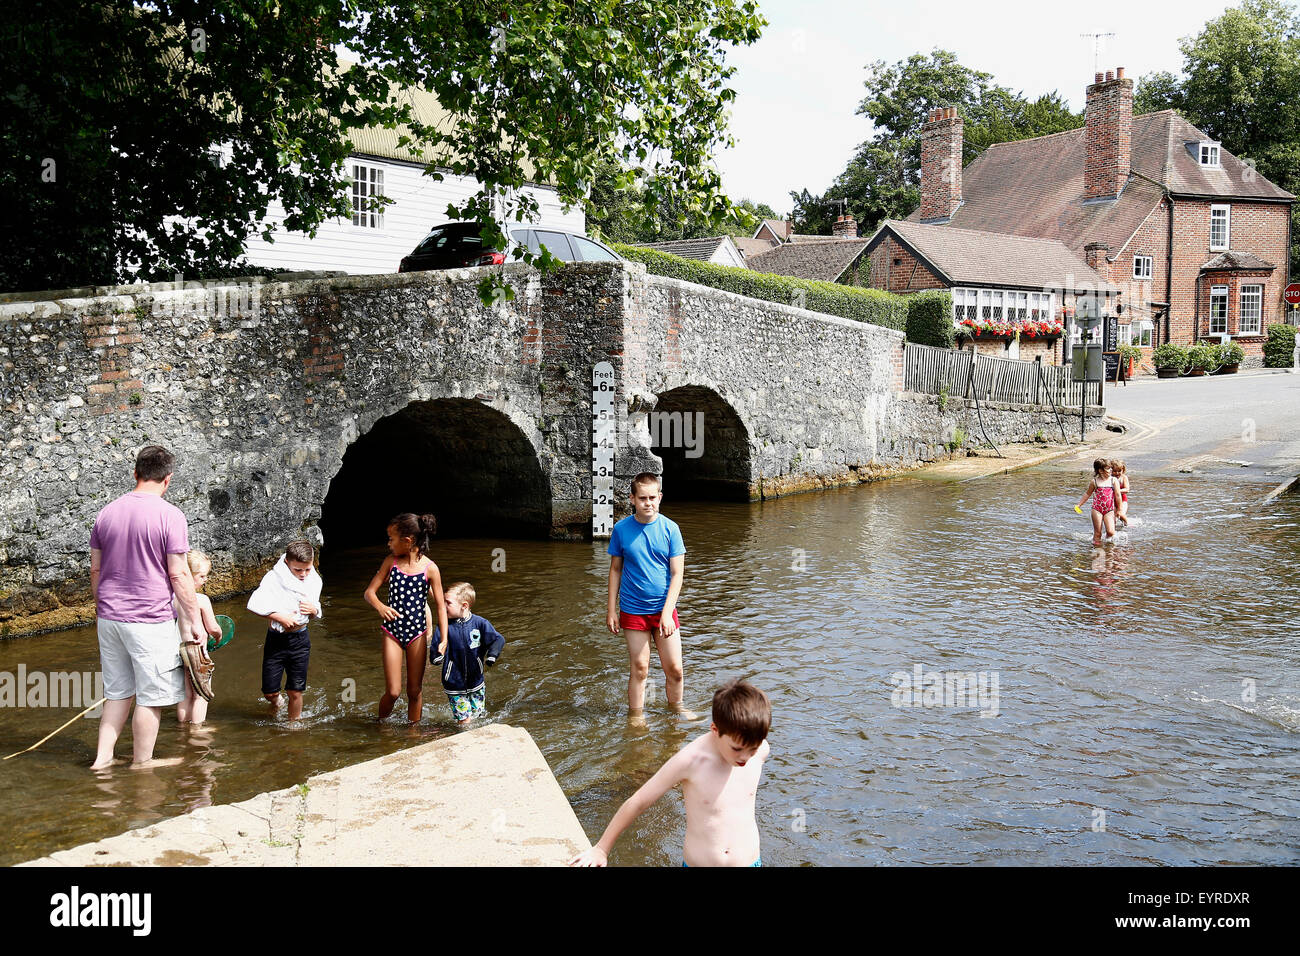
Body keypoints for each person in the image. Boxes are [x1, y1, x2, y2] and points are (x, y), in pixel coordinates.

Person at [569, 680, 772, 867]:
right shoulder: (690, 761)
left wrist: (751, 749)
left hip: (750, 862)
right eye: (737, 749)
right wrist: (601, 849)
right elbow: (639, 800)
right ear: (715, 729)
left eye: (752, 748)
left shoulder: (761, 751)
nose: (745, 757)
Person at [89, 445, 205, 769]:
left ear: (136, 473)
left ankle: (102, 760)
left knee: (118, 693)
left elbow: (95, 570)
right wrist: (194, 619)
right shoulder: (170, 516)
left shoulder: (106, 513)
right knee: (151, 698)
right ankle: (142, 762)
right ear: (167, 480)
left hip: (109, 617)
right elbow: (179, 573)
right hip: (148, 620)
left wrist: (103, 606)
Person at [606, 472, 689, 721]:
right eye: (642, 498)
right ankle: (636, 717)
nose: (648, 503)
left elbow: (677, 575)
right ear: (632, 499)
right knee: (640, 668)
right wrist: (611, 610)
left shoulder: (671, 529)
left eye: (653, 497)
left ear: (660, 497)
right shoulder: (621, 530)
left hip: (664, 610)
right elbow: (615, 570)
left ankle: (676, 709)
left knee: (674, 670)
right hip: (633, 609)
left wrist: (667, 614)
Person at [364, 513, 447, 722]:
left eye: (392, 539)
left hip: (417, 633)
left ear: (407, 541)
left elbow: (441, 607)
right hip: (391, 631)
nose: (388, 544)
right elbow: (369, 593)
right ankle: (380, 726)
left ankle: (413, 735)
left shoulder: (431, 569)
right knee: (393, 692)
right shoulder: (390, 562)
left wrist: (444, 638)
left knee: (414, 691)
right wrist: (380, 607)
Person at [247, 541, 322, 721]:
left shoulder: (314, 580)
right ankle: (276, 701)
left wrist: (315, 610)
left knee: (295, 690)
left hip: (300, 639)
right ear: (287, 562)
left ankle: (293, 726)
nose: (303, 575)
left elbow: (315, 608)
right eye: (298, 570)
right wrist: (278, 616)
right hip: (276, 639)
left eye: (308, 569)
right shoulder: (273, 578)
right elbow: (253, 604)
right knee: (269, 692)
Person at [431, 582, 505, 724]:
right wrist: (437, 656)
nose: (443, 606)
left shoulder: (480, 623)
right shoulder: (443, 626)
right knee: (465, 721)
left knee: (478, 717)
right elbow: (435, 647)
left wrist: (492, 656)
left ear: (464, 605)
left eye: (448, 603)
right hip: (454, 683)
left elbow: (498, 639)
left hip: (476, 681)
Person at [175, 550, 223, 725]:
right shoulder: (201, 600)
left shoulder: (172, 598)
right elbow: (212, 628)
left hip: (179, 650)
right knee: (202, 694)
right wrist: (219, 635)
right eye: (202, 576)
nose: (205, 580)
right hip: (196, 651)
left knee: (186, 693)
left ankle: (182, 726)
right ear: (188, 575)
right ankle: (197, 729)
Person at [1075, 458, 1121, 546]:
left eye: (1111, 468)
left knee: (1111, 532)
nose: (1111, 470)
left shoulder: (1113, 481)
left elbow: (1118, 496)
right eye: (1108, 468)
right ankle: (1097, 550)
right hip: (1097, 509)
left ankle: (1108, 546)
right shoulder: (1095, 481)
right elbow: (1087, 494)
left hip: (1109, 510)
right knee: (1097, 533)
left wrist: (1119, 509)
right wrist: (1079, 505)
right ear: (1100, 470)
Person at [1111, 459, 1131, 526]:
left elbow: (1127, 489)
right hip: (1112, 501)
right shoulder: (1109, 478)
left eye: (1119, 471)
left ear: (1123, 470)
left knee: (1121, 514)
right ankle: (1113, 529)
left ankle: (1127, 524)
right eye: (1114, 471)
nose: (1117, 473)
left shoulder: (1124, 478)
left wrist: (1117, 490)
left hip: (1123, 500)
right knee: (1113, 517)